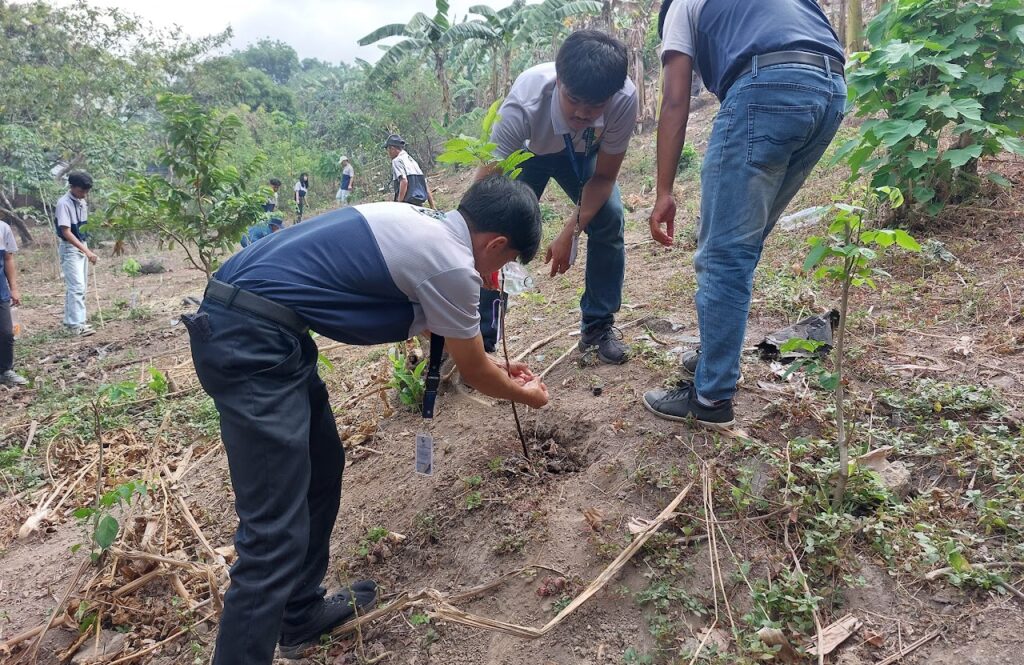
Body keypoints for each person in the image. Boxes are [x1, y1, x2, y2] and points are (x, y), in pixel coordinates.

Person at [181, 175, 548, 664]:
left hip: (266, 328)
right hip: (250, 339)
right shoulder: (455, 266)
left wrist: (499, 368)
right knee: (272, 531)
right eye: (503, 262)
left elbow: (469, 352)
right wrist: (528, 396)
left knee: (322, 466)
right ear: (497, 243)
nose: (494, 275)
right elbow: (475, 371)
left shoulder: (427, 225)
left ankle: (298, 615)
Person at [642, 0, 846, 427]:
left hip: (767, 87)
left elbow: (676, 99)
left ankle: (711, 400)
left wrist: (663, 190)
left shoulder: (680, 7)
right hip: (829, 89)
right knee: (743, 242)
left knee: (723, 254)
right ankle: (714, 352)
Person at [477, 30, 638, 365]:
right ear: (559, 80)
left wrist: (570, 231)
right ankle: (478, 339)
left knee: (608, 216)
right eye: (573, 99)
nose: (581, 113)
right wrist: (467, 234)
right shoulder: (526, 100)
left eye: (594, 106)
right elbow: (486, 179)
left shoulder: (623, 99)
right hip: (528, 154)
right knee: (493, 230)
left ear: (612, 95)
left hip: (581, 155)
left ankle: (597, 328)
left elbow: (605, 176)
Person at [55, 171, 98, 336]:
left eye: (86, 191)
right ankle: (76, 325)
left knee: (80, 287)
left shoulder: (82, 203)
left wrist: (86, 248)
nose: (84, 195)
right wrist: (86, 250)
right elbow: (66, 232)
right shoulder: (63, 204)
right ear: (72, 187)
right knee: (77, 287)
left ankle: (72, 321)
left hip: (81, 245)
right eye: (82, 191)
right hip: (70, 248)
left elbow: (82, 228)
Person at [0, 219, 27, 386]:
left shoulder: (3, 228)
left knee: (7, 333)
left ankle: (5, 370)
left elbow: (8, 259)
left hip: (1, 290)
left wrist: (14, 288)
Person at [384, 135, 435, 208]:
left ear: (392, 148)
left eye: (388, 150)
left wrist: (399, 204)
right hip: (418, 204)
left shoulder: (397, 161)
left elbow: (404, 181)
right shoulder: (411, 160)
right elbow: (424, 183)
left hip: (407, 205)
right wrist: (432, 206)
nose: (388, 153)